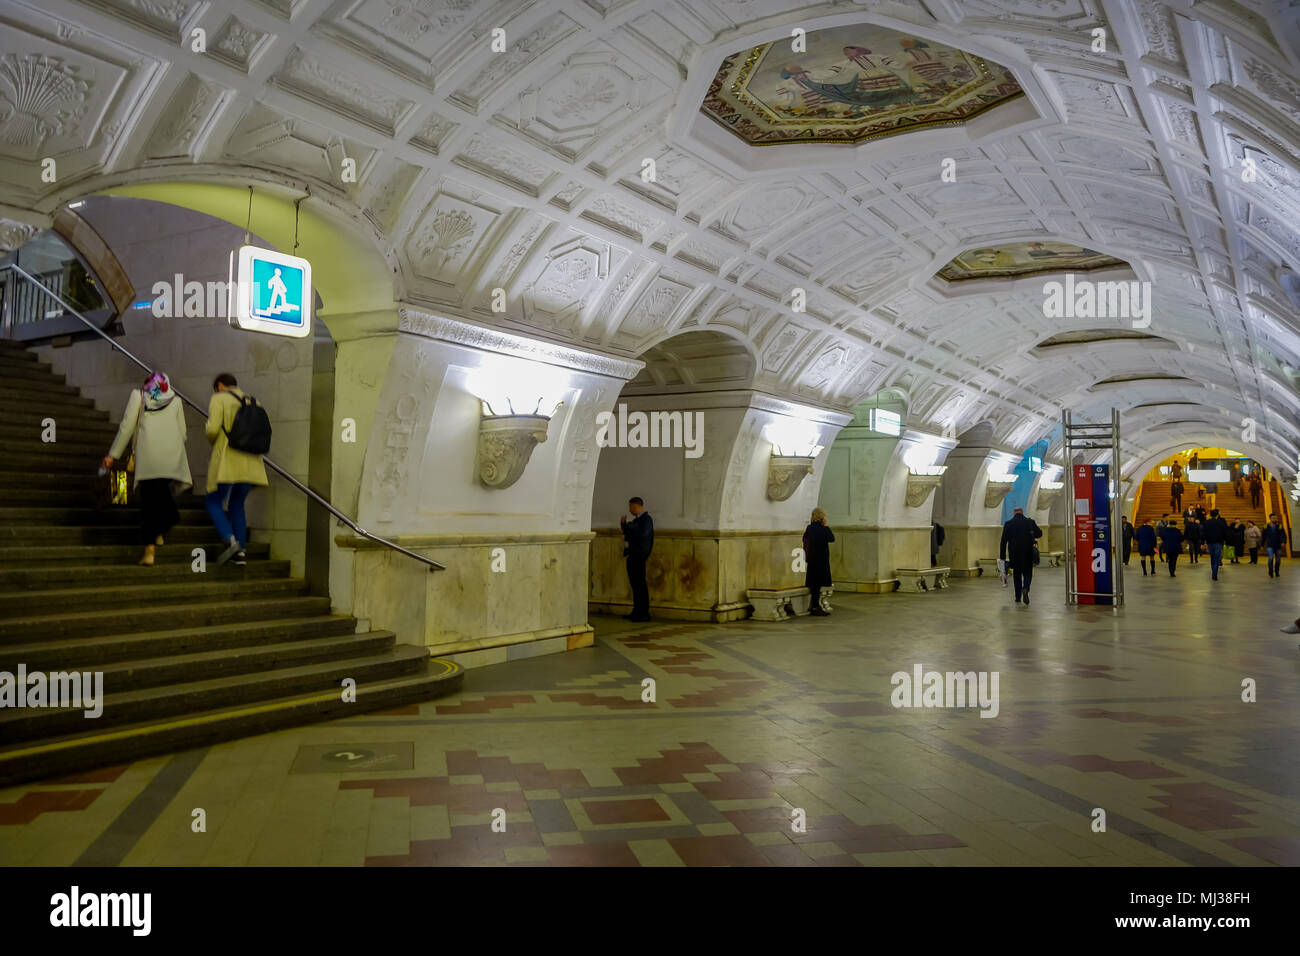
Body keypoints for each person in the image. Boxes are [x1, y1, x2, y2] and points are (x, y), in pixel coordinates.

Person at [102, 372, 192, 566]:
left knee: (149, 504)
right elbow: (183, 433)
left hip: (149, 456)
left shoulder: (139, 396)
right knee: (160, 498)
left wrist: (113, 454)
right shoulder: (176, 400)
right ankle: (160, 529)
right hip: (171, 457)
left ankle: (150, 550)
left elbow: (126, 427)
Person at [204, 373, 269, 566]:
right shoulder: (254, 401)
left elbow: (213, 429)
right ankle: (241, 552)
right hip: (252, 462)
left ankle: (229, 538)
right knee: (237, 503)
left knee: (213, 500)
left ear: (220, 386)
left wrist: (208, 432)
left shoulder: (219, 398)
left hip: (228, 459)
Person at [619, 496, 654, 621]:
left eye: (631, 507)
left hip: (639, 555)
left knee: (640, 584)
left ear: (638, 506)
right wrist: (623, 525)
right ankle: (637, 611)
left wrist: (629, 534)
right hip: (633, 554)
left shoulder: (646, 519)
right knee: (635, 584)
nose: (630, 510)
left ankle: (643, 613)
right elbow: (629, 531)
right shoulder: (636, 520)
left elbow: (643, 535)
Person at [999, 506, 1042, 606]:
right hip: (1028, 553)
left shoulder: (1008, 524)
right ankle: (1026, 588)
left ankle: (1018, 597)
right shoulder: (1030, 522)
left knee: (1017, 575)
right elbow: (1039, 534)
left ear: (1014, 513)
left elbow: (1003, 541)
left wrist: (1002, 557)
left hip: (1014, 554)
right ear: (1022, 512)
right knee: (1028, 573)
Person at [803, 508, 835, 616]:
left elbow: (805, 539)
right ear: (821, 517)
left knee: (814, 583)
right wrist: (826, 527)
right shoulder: (823, 529)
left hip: (812, 559)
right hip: (821, 559)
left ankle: (815, 605)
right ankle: (815, 606)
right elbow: (832, 538)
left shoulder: (809, 528)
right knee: (818, 583)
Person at [1202, 509, 1228, 580]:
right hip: (1219, 542)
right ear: (1217, 515)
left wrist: (1203, 543)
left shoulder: (1206, 522)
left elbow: (1203, 533)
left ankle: (1213, 571)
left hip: (1210, 542)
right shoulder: (1221, 522)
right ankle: (1215, 573)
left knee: (1212, 557)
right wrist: (1226, 541)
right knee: (1217, 557)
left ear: (1210, 515)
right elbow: (1225, 532)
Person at [1262, 513, 1286, 578]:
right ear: (1270, 519)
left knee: (1278, 560)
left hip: (1278, 546)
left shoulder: (1280, 526)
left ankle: (1277, 571)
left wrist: (1283, 542)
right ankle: (1270, 572)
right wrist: (1262, 545)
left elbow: (1283, 535)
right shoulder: (1265, 526)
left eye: (1276, 518)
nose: (1275, 519)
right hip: (1269, 545)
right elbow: (1263, 536)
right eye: (1273, 518)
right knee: (1270, 558)